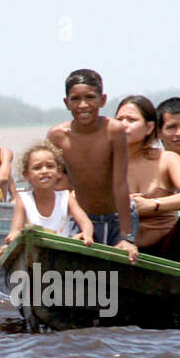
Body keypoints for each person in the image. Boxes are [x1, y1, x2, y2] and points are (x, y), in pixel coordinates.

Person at [47, 69, 138, 263]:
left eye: (90, 97)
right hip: (81, 219)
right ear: (66, 102)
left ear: (102, 100)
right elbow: (51, 185)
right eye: (75, 99)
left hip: (117, 218)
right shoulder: (57, 136)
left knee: (116, 272)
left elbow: (120, 184)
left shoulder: (114, 130)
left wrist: (126, 236)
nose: (83, 105)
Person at [115, 96, 180, 266]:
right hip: (122, 247)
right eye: (119, 119)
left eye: (131, 120)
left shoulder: (167, 159)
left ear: (149, 127)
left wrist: (152, 204)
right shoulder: (106, 163)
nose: (123, 124)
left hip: (166, 248)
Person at [0, 141, 94, 266]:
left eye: (50, 166)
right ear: (26, 175)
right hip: (33, 256)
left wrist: (86, 234)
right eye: (37, 168)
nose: (44, 171)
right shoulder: (24, 200)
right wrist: (13, 238)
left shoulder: (66, 197)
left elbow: (85, 222)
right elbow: (15, 230)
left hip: (61, 255)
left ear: (58, 172)